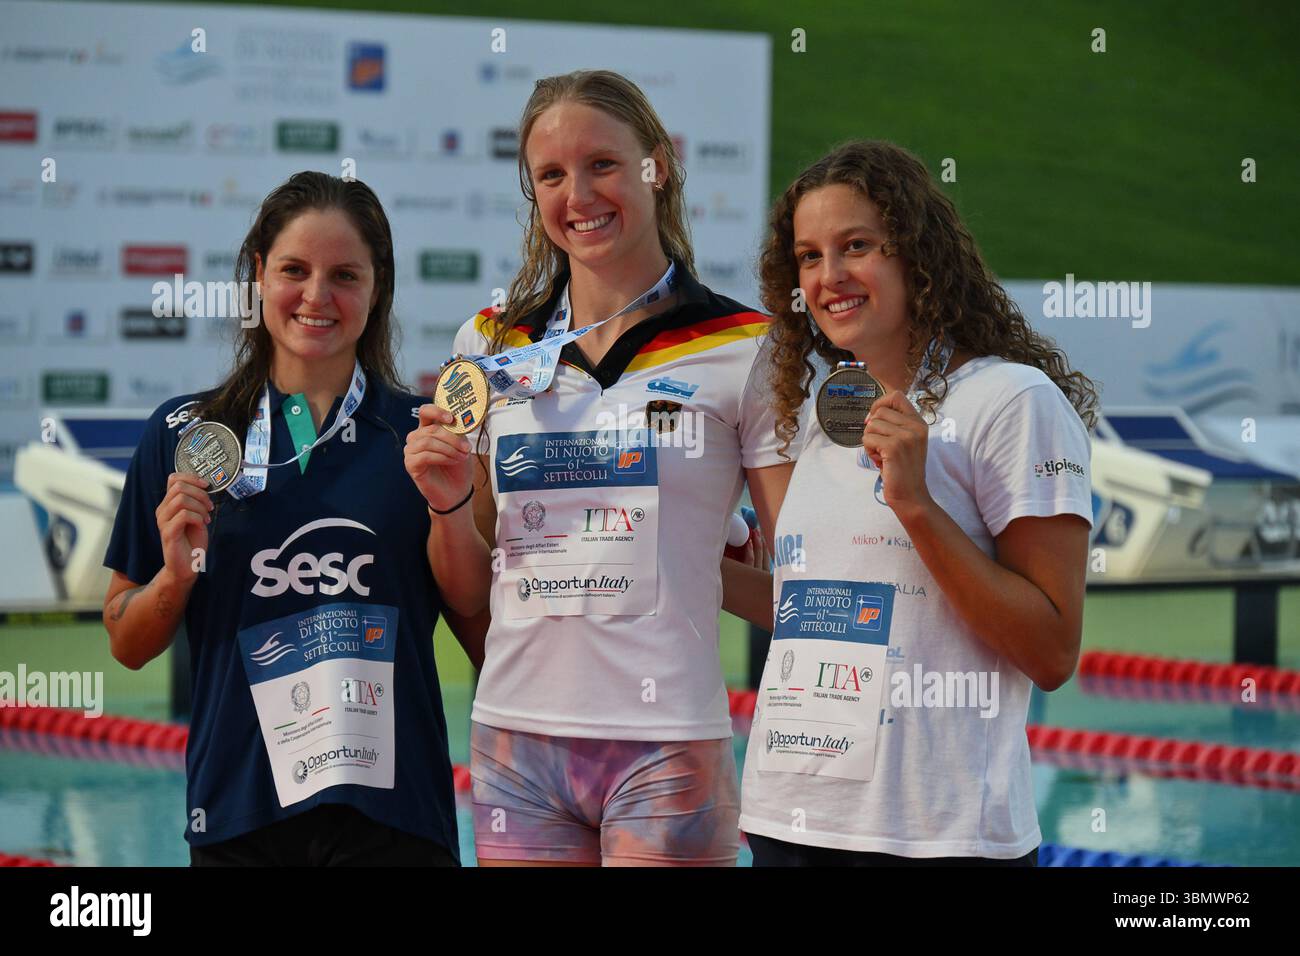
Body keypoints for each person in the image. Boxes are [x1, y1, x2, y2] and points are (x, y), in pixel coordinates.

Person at [404, 70, 792, 866]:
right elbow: (474, 589)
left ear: (659, 168)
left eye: (603, 165)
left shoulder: (747, 347)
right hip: (516, 743)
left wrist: (697, 573)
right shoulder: (489, 345)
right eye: (551, 175)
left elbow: (805, 583)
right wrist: (446, 505)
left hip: (666, 745)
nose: (578, 193)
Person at [723, 141, 1098, 865]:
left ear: (915, 255)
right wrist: (689, 568)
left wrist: (917, 506)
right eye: (808, 256)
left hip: (936, 834)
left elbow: (1051, 650)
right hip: (790, 819)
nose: (829, 277)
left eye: (855, 246)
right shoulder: (817, 415)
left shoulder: (1011, 402)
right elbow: (822, 606)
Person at [103, 171, 469, 866]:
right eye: (294, 271)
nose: (316, 297)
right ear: (257, 278)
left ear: (377, 287)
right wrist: (175, 580)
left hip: (394, 819)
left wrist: (453, 508)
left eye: (344, 275)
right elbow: (125, 638)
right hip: (239, 816)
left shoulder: (422, 441)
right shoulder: (185, 437)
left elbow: (482, 629)